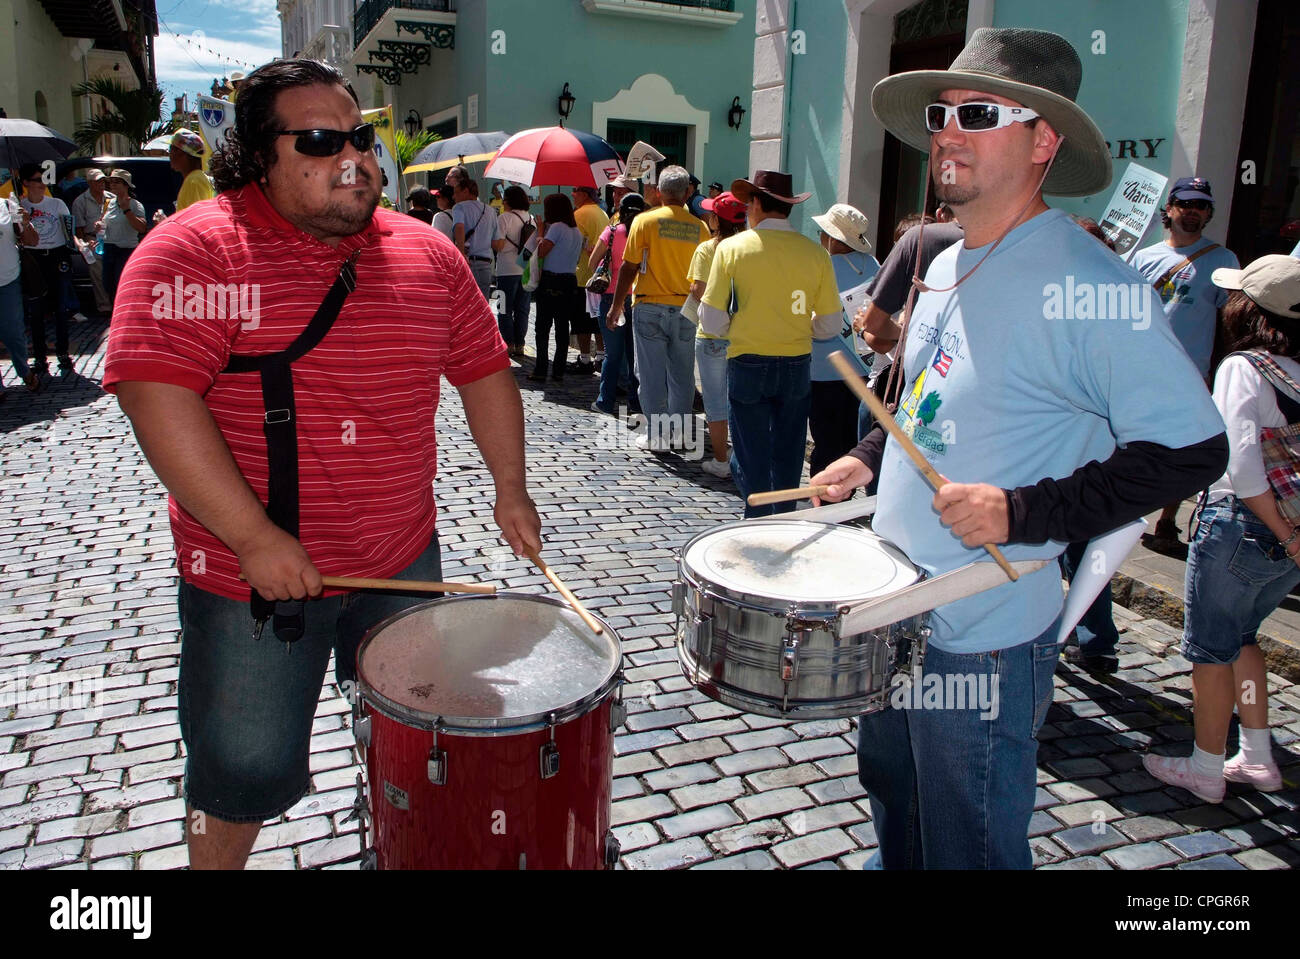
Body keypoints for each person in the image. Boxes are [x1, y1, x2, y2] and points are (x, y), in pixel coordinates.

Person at [102, 58, 541, 870]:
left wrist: (509, 487)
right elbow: (154, 393)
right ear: (256, 154)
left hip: (403, 559)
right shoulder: (195, 252)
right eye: (317, 139)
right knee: (242, 769)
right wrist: (253, 538)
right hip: (252, 582)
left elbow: (482, 368)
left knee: (417, 740)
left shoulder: (428, 253)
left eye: (359, 136)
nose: (353, 158)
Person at [809, 27, 1227, 869]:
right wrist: (870, 453)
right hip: (894, 611)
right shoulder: (949, 257)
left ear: (1044, 140)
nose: (947, 132)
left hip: (984, 636)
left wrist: (1024, 511)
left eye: (977, 112)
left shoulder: (1092, 284)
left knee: (971, 845)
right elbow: (921, 394)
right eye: (941, 113)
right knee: (895, 804)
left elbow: (1192, 449)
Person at [1143, 255, 1300, 802]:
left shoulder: (1246, 367)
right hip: (1284, 540)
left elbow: (1240, 466)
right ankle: (1256, 755)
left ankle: (1207, 768)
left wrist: (1284, 532)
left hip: (1244, 525)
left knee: (1210, 654)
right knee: (1242, 641)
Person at [699, 171, 841, 516]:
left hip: (748, 358)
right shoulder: (815, 253)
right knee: (790, 450)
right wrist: (796, 325)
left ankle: (757, 520)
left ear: (758, 204)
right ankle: (785, 518)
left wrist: (743, 323)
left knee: (750, 451)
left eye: (749, 204)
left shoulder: (732, 248)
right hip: (795, 361)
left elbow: (712, 320)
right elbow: (830, 325)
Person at [1132, 177, 1241, 553]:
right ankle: (1125, 511)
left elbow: (1232, 319)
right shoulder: (1145, 258)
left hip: (1190, 374)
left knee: (1180, 447)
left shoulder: (1223, 260)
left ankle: (1166, 520)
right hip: (1141, 370)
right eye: (1186, 204)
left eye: (1201, 206)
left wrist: (1225, 370)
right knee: (1133, 441)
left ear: (1208, 213)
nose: (1193, 212)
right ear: (1170, 210)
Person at [606, 165, 709, 452]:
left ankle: (657, 435)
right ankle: (680, 432)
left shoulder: (646, 221)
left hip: (650, 304)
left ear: (660, 191)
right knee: (682, 375)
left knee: (650, 375)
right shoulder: (699, 228)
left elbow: (629, 266)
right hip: (686, 307)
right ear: (687, 191)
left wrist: (616, 306)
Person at [810, 203, 880, 477]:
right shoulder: (875, 264)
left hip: (824, 369)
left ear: (833, 238)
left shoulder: (822, 267)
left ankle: (823, 503)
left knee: (826, 443)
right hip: (866, 368)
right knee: (852, 441)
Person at [688, 190, 747, 478]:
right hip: (743, 333)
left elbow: (698, 290)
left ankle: (722, 460)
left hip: (711, 334)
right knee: (739, 397)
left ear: (715, 219)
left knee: (715, 399)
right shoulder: (751, 248)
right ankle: (741, 455)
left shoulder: (707, 249)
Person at [590, 191, 648, 416]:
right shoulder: (646, 234)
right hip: (638, 298)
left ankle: (606, 401)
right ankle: (637, 403)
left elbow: (594, 260)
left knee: (613, 354)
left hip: (611, 297)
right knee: (635, 356)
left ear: (620, 212)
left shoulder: (611, 232)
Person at [17, 162, 75, 379]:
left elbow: (68, 230)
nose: (42, 185)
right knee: (36, 311)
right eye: (37, 180)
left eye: (44, 180)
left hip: (57, 255)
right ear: (26, 183)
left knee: (60, 308)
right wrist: (21, 219)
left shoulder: (57, 204)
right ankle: (40, 357)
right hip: (34, 258)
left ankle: (62, 352)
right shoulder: (20, 206)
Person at [528, 192, 583, 383]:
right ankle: (558, 369)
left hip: (552, 280)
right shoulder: (576, 231)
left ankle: (541, 369)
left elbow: (542, 251)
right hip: (569, 280)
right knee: (562, 327)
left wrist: (541, 232)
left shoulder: (557, 228)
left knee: (542, 327)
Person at [1, 193, 39, 394]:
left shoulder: (7, 205)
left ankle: (23, 370)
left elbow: (31, 240)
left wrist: (24, 223)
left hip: (7, 279)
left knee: (12, 331)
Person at [493, 185, 534, 357]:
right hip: (525, 269)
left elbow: (499, 246)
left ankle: (508, 343)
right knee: (522, 309)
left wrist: (492, 241)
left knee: (504, 309)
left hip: (506, 270)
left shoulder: (504, 218)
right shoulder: (530, 218)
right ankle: (520, 344)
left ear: (508, 201)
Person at [572, 184, 610, 372]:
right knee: (597, 318)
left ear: (584, 194)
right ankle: (601, 356)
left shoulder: (580, 214)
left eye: (575, 191)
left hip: (583, 274)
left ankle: (585, 358)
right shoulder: (601, 212)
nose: (573, 194)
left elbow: (574, 243)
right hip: (600, 275)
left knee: (582, 321)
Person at [96, 169, 148, 305]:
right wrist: (99, 226)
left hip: (125, 250)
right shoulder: (108, 203)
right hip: (109, 248)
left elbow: (142, 228)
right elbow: (104, 222)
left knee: (122, 285)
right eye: (111, 181)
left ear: (126, 185)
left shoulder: (135, 205)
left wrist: (127, 210)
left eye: (116, 182)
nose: (112, 184)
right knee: (108, 285)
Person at [71, 168, 113, 317]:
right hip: (92, 238)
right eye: (97, 181)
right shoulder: (80, 201)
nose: (101, 184)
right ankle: (104, 306)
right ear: (89, 183)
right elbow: (79, 229)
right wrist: (86, 244)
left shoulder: (111, 198)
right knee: (97, 269)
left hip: (112, 237)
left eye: (103, 181)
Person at [452, 178, 498, 300]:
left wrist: (461, 252)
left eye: (456, 192)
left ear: (466, 191)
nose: (453, 196)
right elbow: (496, 242)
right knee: (483, 304)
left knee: (465, 303)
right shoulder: (491, 210)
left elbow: (459, 227)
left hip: (468, 262)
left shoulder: (459, 207)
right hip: (486, 263)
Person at [169, 129, 215, 214]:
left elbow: (197, 219)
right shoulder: (195, 178)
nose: (169, 154)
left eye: (170, 149)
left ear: (180, 152)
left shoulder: (194, 181)